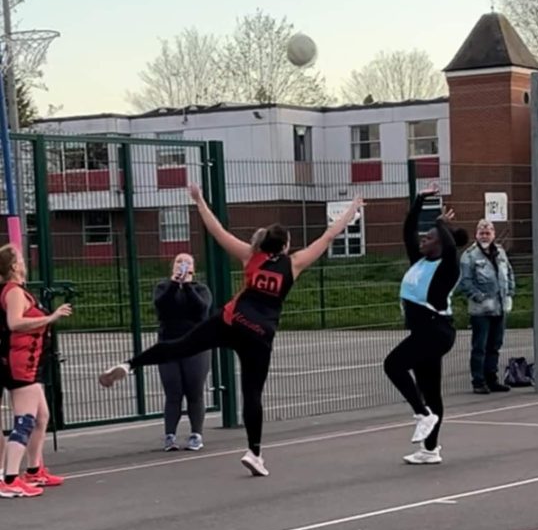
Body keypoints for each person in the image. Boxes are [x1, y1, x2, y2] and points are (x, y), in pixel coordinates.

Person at [99, 185, 363, 477]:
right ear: (285, 246)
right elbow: (329, 235)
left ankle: (129, 364)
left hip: (231, 320)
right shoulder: (294, 264)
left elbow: (217, 230)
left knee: (179, 345)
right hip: (259, 335)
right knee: (252, 393)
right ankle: (254, 453)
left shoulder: (250, 256)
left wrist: (199, 200)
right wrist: (351, 210)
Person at [383, 184, 468, 466]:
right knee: (431, 390)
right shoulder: (420, 261)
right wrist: (420, 200)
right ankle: (430, 450)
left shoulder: (448, 267)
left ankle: (422, 414)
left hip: (436, 331)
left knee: (393, 365)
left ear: (440, 244)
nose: (423, 238)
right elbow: (408, 230)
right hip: (425, 333)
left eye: (429, 237)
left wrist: (440, 223)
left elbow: (451, 246)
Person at [0, 243, 72, 498]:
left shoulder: (19, 290)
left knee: (42, 416)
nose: (24, 261)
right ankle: (9, 478)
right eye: (20, 258)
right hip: (21, 362)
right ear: (13, 265)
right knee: (25, 420)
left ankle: (33, 470)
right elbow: (15, 323)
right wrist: (49, 318)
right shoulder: (13, 291)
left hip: (30, 360)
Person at [154, 252, 213, 452]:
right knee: (173, 392)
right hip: (169, 345)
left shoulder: (201, 289)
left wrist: (187, 286)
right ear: (173, 266)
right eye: (179, 261)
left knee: (194, 392)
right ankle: (170, 436)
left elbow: (201, 310)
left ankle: (196, 434)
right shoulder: (163, 288)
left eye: (187, 262)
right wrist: (174, 284)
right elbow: (162, 307)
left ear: (193, 268)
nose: (183, 264)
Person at [459, 219, 515, 394]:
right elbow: (465, 282)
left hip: (500, 306)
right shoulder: (469, 255)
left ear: (493, 234)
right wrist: (480, 298)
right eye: (481, 233)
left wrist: (510, 293)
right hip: (480, 310)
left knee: (495, 345)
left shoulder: (500, 252)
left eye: (488, 233)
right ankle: (478, 381)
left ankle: (492, 379)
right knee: (480, 347)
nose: (485, 236)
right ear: (476, 235)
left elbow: (509, 273)